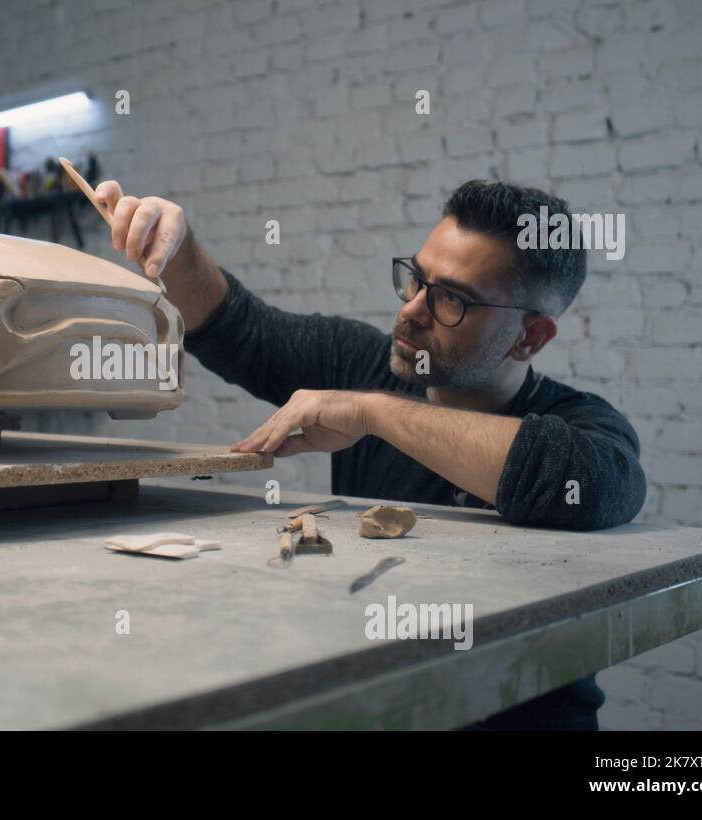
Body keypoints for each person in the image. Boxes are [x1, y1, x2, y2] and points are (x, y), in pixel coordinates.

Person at [93, 177, 646, 730]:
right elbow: (238, 327)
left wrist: (373, 412)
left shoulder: (582, 425)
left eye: (452, 299)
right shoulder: (359, 363)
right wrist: (177, 249)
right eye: (417, 279)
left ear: (531, 337)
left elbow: (587, 479)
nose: (413, 310)